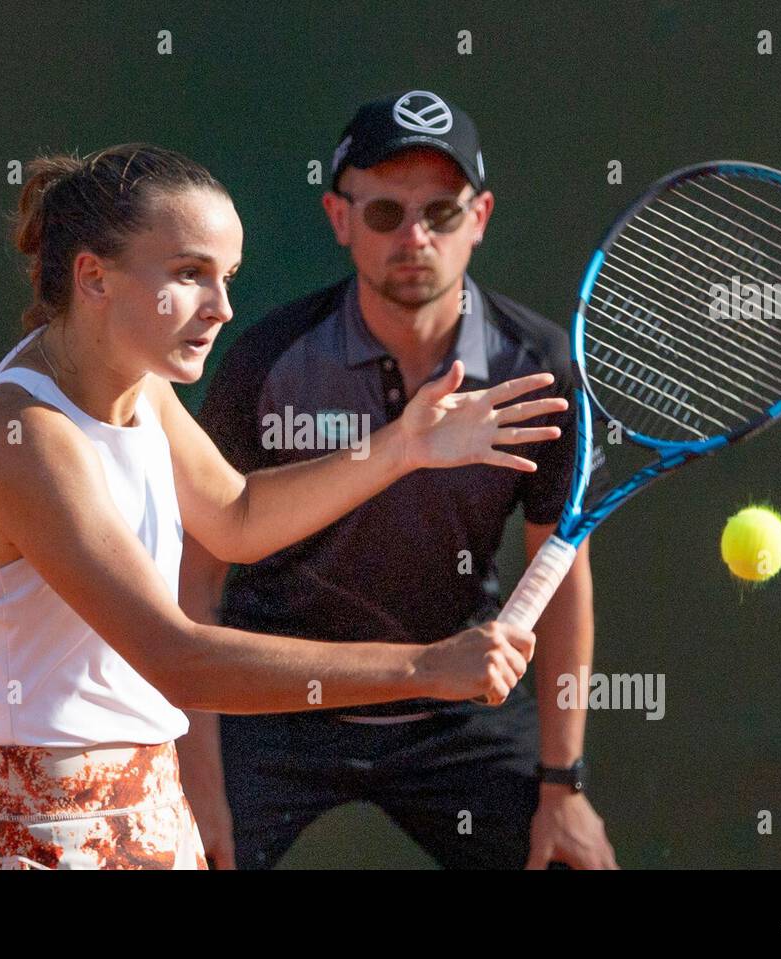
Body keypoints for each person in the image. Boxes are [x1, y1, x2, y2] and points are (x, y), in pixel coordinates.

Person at [0, 143, 567, 869]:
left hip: (156, 817)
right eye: (189, 274)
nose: (222, 307)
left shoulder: (140, 390)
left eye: (226, 277)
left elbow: (236, 516)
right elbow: (180, 658)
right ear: (94, 276)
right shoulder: (20, 435)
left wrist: (401, 447)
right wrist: (425, 667)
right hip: (42, 838)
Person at [178, 92, 620, 869]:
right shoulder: (267, 362)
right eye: (384, 213)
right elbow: (195, 573)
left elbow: (564, 577)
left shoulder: (540, 370)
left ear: (479, 218)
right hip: (277, 699)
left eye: (441, 214)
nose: (413, 237)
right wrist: (197, 783)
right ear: (339, 217)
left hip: (456, 703)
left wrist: (563, 782)